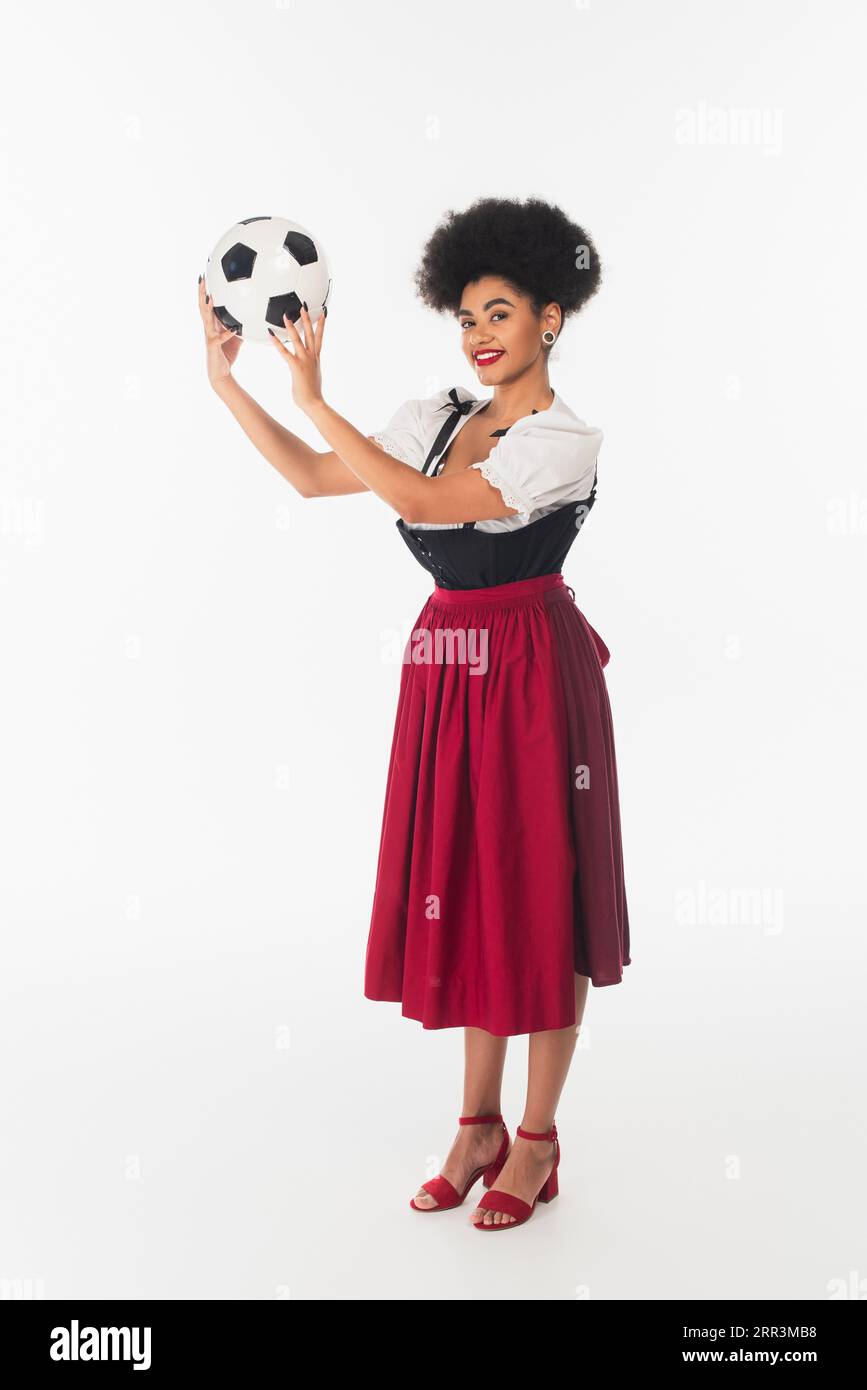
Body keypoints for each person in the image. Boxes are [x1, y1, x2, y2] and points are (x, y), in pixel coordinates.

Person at [197, 196, 630, 1232]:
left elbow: (435, 505)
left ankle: (536, 1139)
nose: (480, 336)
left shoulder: (563, 438)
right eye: (468, 317)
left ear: (550, 320)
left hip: (530, 663)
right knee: (475, 889)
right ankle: (475, 1124)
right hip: (446, 663)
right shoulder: (432, 417)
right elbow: (314, 480)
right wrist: (228, 384)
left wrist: (316, 394)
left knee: (540, 893)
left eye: (501, 314)